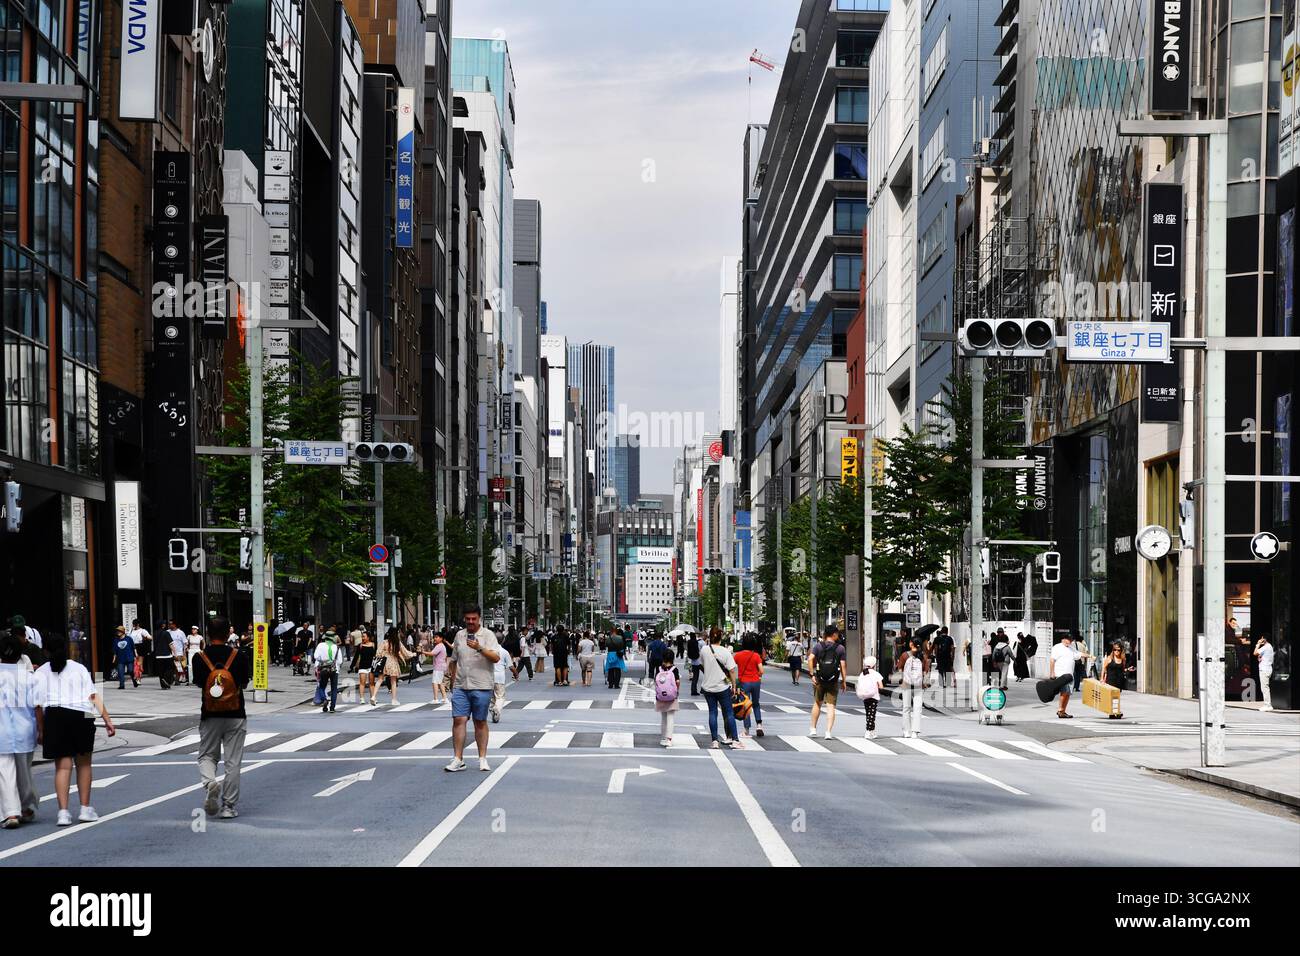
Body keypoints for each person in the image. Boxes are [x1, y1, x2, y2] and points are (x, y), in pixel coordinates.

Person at [33, 633, 115, 826]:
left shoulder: (40, 673)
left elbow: (37, 706)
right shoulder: (79, 668)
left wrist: (42, 730)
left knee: (62, 766)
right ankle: (85, 809)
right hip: (81, 716)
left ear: (45, 650)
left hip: (54, 716)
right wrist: (107, 719)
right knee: (84, 764)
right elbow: (93, 696)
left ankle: (63, 813)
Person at [192, 617, 250, 819]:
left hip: (210, 715)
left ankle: (210, 783)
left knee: (207, 755)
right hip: (235, 714)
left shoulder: (199, 657)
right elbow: (244, 682)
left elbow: (200, 683)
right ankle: (228, 806)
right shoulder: (239, 655)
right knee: (233, 761)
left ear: (207, 634)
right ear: (228, 634)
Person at [444, 606, 502, 772]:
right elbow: (454, 659)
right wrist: (452, 682)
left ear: (479, 619)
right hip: (461, 686)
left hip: (482, 685)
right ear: (464, 619)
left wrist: (479, 648)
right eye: (468, 619)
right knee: (459, 720)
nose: (470, 622)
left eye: (473, 619)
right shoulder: (459, 636)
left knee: (480, 722)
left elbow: (496, 658)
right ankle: (458, 759)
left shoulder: (488, 636)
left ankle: (482, 758)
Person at [0, 628, 40, 828]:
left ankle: (11, 813)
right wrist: (42, 728)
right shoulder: (28, 677)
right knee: (24, 771)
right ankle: (27, 806)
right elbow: (37, 705)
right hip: (25, 729)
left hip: (1, 731)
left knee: (5, 771)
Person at [698, 628, 741, 749]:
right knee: (729, 713)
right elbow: (732, 670)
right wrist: (734, 685)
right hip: (722, 687)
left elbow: (702, 664)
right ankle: (735, 740)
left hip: (708, 687)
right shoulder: (726, 652)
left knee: (712, 712)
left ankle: (714, 741)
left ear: (709, 637)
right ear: (721, 638)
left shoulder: (705, 650)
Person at [808, 626, 847, 740]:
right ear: (834, 634)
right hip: (833, 680)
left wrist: (812, 675)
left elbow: (810, 659)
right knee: (831, 706)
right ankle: (828, 732)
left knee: (817, 703)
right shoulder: (840, 648)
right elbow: (843, 665)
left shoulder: (819, 646)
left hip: (819, 679)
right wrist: (844, 681)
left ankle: (813, 729)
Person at [896, 638, 929, 738]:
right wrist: (925, 682)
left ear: (911, 644)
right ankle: (915, 732)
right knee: (917, 708)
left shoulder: (905, 655)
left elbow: (900, 668)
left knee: (906, 708)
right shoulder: (923, 656)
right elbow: (925, 671)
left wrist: (902, 680)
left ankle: (907, 731)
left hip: (907, 684)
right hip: (918, 685)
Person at [734, 633, 765, 738]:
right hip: (756, 682)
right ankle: (759, 725)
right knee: (756, 704)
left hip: (744, 683)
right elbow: (761, 670)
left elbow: (731, 668)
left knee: (746, 705)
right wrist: (758, 675)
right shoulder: (756, 655)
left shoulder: (738, 655)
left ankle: (746, 730)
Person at [377, 627, 414, 705]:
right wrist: (413, 654)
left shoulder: (384, 642)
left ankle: (373, 697)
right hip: (393, 662)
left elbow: (378, 653)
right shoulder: (397, 643)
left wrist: (384, 655)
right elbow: (406, 653)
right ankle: (393, 700)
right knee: (393, 682)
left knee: (380, 679)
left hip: (384, 663)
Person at [654, 650, 681, 747]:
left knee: (663, 717)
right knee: (670, 717)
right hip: (672, 696)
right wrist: (676, 691)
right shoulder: (674, 669)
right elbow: (677, 682)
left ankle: (663, 738)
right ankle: (669, 739)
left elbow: (656, 682)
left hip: (660, 696)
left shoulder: (659, 668)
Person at [1050, 634, 1081, 718]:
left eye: (1071, 640)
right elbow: (1052, 660)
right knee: (1064, 692)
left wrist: (1090, 656)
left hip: (1070, 674)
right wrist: (1052, 673)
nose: (1070, 641)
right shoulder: (1057, 647)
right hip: (1062, 675)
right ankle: (1060, 710)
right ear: (1063, 639)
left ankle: (1063, 711)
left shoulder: (1071, 648)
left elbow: (1079, 654)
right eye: (1068, 640)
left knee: (1068, 693)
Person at [855, 656, 885, 739]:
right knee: (872, 715)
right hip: (873, 696)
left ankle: (872, 731)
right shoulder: (876, 674)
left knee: (868, 714)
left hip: (864, 696)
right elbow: (881, 686)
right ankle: (868, 731)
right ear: (874, 665)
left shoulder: (862, 673)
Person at [314, 629, 342, 713]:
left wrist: (323, 660)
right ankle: (332, 707)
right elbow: (340, 661)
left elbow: (315, 656)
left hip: (323, 669)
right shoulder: (336, 647)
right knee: (334, 689)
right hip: (334, 670)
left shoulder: (320, 645)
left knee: (322, 686)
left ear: (325, 638)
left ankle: (324, 699)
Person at [1101, 642, 1128, 719]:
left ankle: (1115, 712)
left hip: (1119, 681)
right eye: (1114, 649)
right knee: (1111, 698)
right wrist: (1102, 679)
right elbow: (1104, 669)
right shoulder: (1109, 659)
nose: (1116, 651)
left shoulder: (1123, 659)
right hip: (1111, 681)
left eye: (1118, 650)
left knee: (1117, 698)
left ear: (1121, 650)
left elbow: (1122, 669)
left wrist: (1128, 669)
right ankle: (1112, 713)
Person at [354, 630, 378, 705]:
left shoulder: (373, 645)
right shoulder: (360, 646)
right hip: (362, 666)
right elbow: (356, 656)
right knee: (362, 683)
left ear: (368, 637)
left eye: (364, 637)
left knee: (371, 683)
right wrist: (352, 666)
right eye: (362, 637)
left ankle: (373, 698)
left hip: (371, 666)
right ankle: (362, 698)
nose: (362, 638)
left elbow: (376, 656)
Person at [490, 638, 511, 724]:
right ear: (503, 641)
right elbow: (511, 666)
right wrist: (516, 673)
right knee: (500, 696)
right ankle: (496, 709)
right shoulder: (504, 652)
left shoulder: (488, 651)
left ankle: (494, 713)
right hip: (500, 677)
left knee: (491, 698)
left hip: (489, 677)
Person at [112, 625, 139, 689]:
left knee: (130, 671)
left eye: (119, 631)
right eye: (117, 631)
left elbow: (133, 647)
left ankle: (134, 680)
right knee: (121, 672)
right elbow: (115, 651)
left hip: (129, 658)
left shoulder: (129, 639)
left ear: (123, 632)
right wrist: (114, 658)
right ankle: (122, 685)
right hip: (120, 659)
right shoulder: (116, 640)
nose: (118, 632)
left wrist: (136, 654)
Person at [1254, 635, 1275, 712]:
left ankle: (1268, 705)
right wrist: (1260, 658)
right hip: (1267, 668)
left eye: (1262, 638)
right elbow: (1260, 656)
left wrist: (1258, 644)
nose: (1260, 639)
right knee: (1265, 687)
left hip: (1265, 669)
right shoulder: (1269, 647)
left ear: (1265, 639)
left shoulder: (1266, 646)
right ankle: (1267, 704)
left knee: (1265, 688)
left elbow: (1255, 652)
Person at [426, 631, 448, 703]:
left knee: (435, 682)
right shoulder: (441, 646)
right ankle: (445, 698)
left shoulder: (439, 646)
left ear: (441, 638)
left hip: (438, 667)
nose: (434, 638)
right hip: (441, 666)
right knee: (440, 682)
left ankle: (435, 699)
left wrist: (423, 652)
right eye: (434, 637)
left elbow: (433, 653)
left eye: (436, 637)